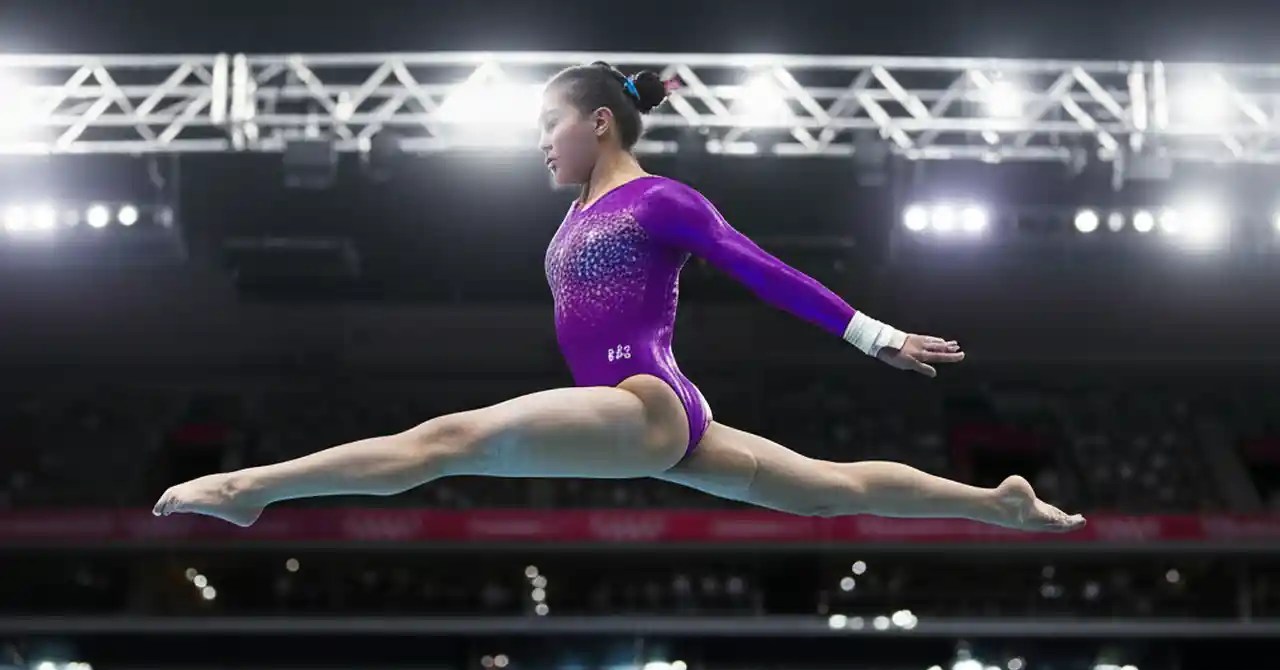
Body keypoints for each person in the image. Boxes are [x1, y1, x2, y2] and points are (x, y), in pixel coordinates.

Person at [153, 62, 1085, 533]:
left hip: (646, 400)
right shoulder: (571, 222)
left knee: (447, 442)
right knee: (829, 493)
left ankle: (251, 491)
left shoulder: (660, 199)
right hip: (657, 418)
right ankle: (994, 506)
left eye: (548, 125)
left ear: (599, 122)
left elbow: (758, 266)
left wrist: (872, 335)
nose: (539, 144)